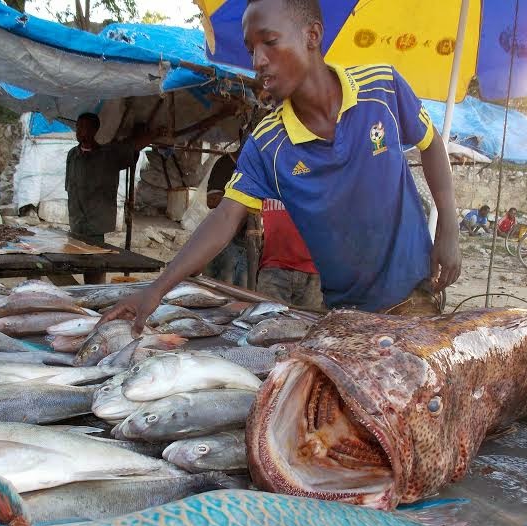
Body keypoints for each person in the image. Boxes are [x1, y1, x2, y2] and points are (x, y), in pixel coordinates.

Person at [101, 0, 460, 332]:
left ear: (312, 36)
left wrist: (448, 225)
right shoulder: (268, 144)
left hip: (415, 295)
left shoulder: (381, 89)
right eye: (251, 49)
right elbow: (224, 218)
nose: (258, 60)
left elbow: (431, 144)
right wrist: (156, 289)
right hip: (345, 313)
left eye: (269, 42)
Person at [65, 112, 154, 283]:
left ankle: (96, 292)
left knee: (94, 267)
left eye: (84, 127)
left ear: (94, 130)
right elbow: (70, 187)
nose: (79, 131)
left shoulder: (108, 155)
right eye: (78, 127)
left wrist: (153, 134)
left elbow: (132, 148)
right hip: (76, 221)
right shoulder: (72, 155)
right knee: (74, 262)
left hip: (95, 223)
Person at [257, 198, 323, 309]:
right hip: (274, 268)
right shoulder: (267, 187)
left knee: (309, 319)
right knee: (267, 317)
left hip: (313, 271)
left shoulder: (324, 189)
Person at [204, 150, 248, 287]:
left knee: (244, 288)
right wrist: (244, 201)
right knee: (223, 285)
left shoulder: (264, 164)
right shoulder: (225, 164)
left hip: (249, 241)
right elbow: (211, 200)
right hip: (227, 236)